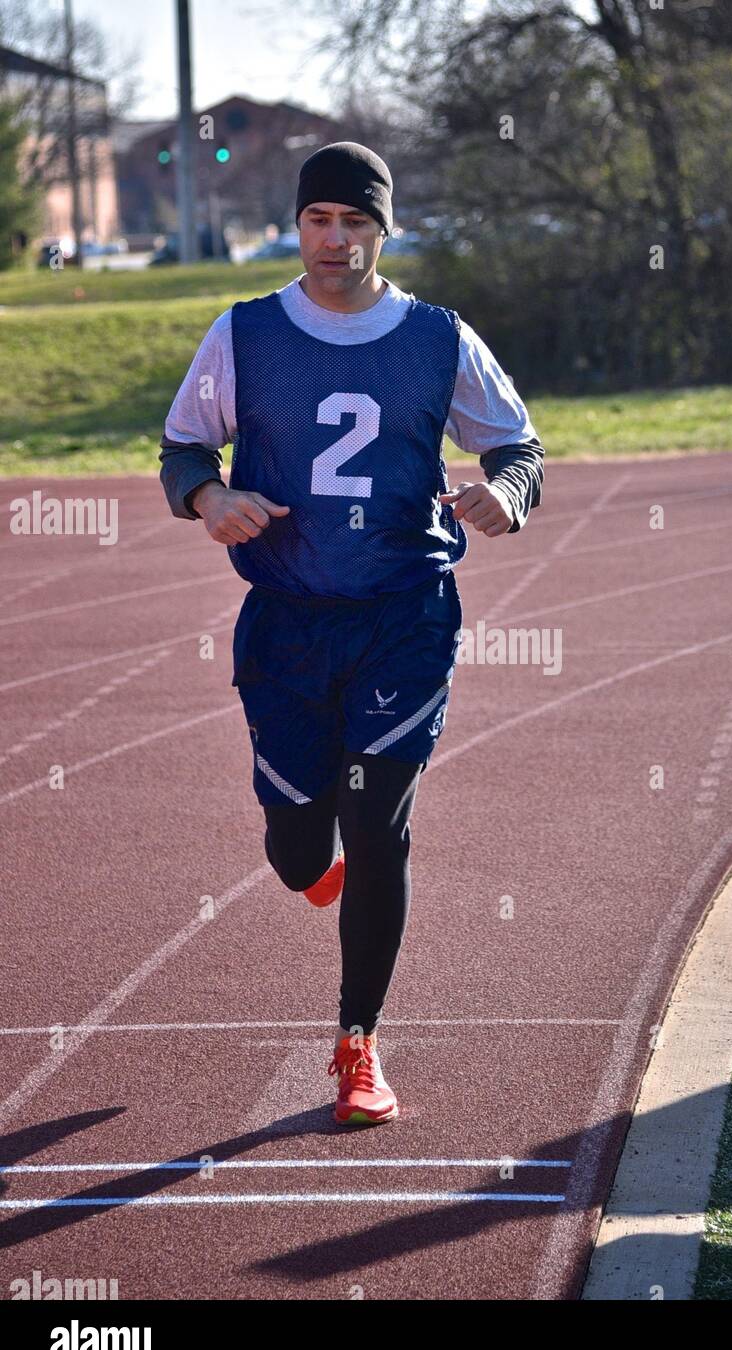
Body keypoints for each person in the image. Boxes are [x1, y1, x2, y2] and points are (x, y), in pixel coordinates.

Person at [159, 141, 544, 1125]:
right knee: (299, 848)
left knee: (379, 824)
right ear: (297, 227)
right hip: (286, 622)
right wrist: (208, 494)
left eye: (356, 221)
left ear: (384, 228)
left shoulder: (434, 336)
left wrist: (504, 491)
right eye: (319, 220)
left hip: (401, 617)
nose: (336, 240)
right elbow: (183, 444)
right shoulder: (245, 333)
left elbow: (516, 442)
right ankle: (310, 855)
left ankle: (357, 1043)